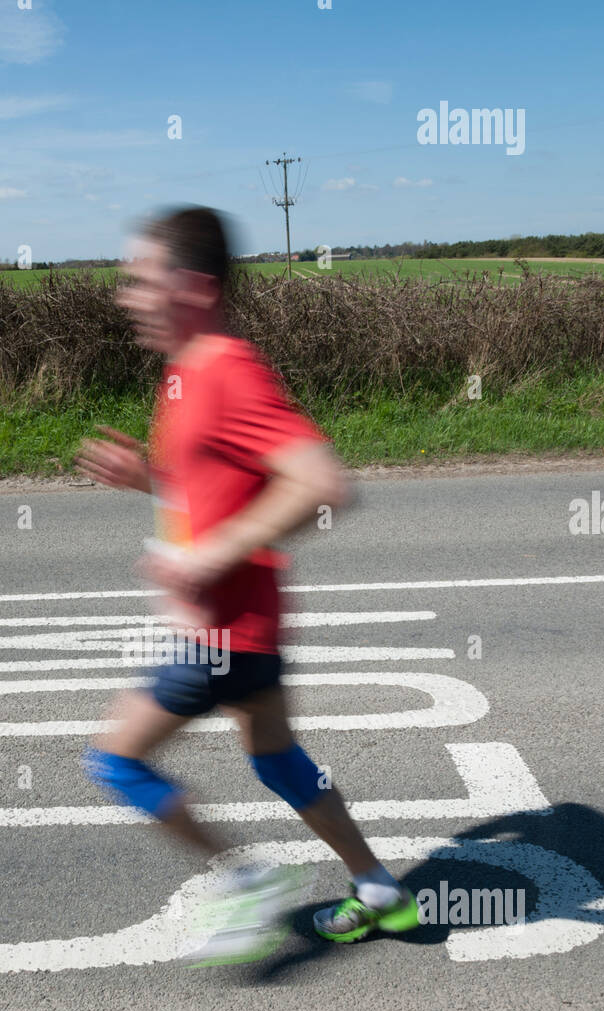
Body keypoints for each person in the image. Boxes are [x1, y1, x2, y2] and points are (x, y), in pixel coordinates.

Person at [75, 205, 418, 965]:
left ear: (192, 286)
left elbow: (322, 482)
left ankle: (244, 878)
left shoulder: (225, 367)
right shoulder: (183, 373)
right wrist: (148, 481)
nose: (126, 296)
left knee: (114, 761)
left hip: (218, 633)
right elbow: (212, 488)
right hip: (249, 622)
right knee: (276, 761)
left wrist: (208, 557)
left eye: (140, 281)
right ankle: (378, 888)